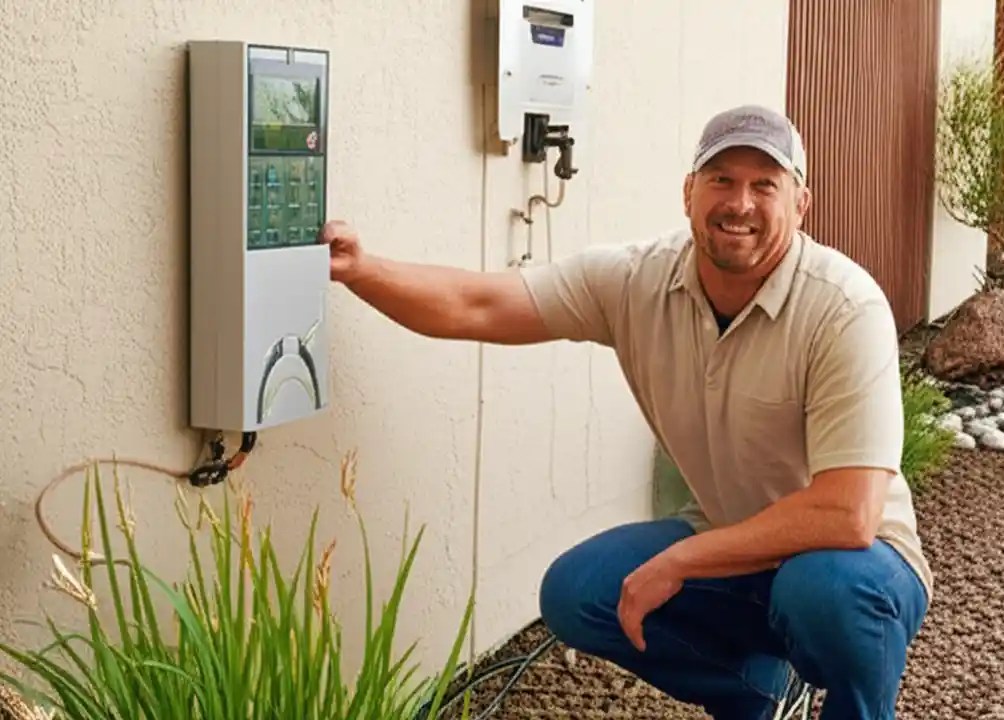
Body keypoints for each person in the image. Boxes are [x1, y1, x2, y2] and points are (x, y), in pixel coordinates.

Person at [320, 104, 932, 719]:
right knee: (578, 593)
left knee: (822, 594)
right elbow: (475, 304)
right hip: (733, 544)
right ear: (689, 192)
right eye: (721, 179)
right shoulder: (638, 282)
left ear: (801, 204)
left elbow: (848, 514)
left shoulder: (844, 307)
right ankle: (761, 697)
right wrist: (361, 270)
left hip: (861, 563)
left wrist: (683, 558)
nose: (740, 203)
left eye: (764, 184)